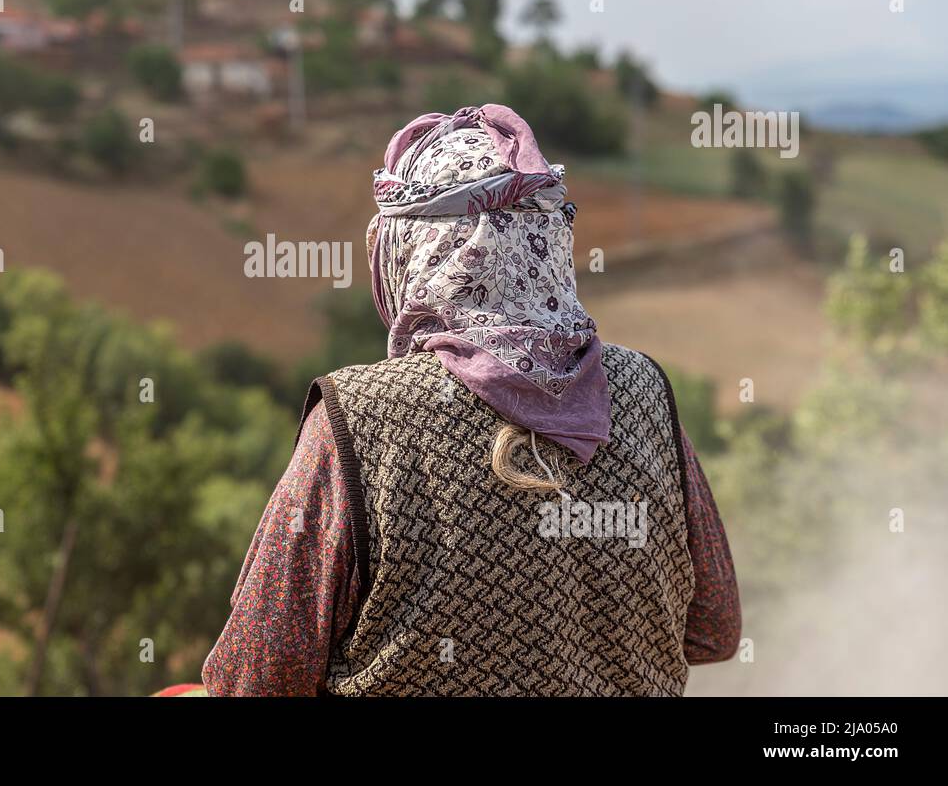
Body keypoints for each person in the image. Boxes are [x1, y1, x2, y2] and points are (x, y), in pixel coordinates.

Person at [201, 104, 740, 696]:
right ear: (548, 241)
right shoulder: (642, 394)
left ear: (406, 249)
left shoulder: (358, 420)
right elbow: (713, 629)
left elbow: (254, 672)